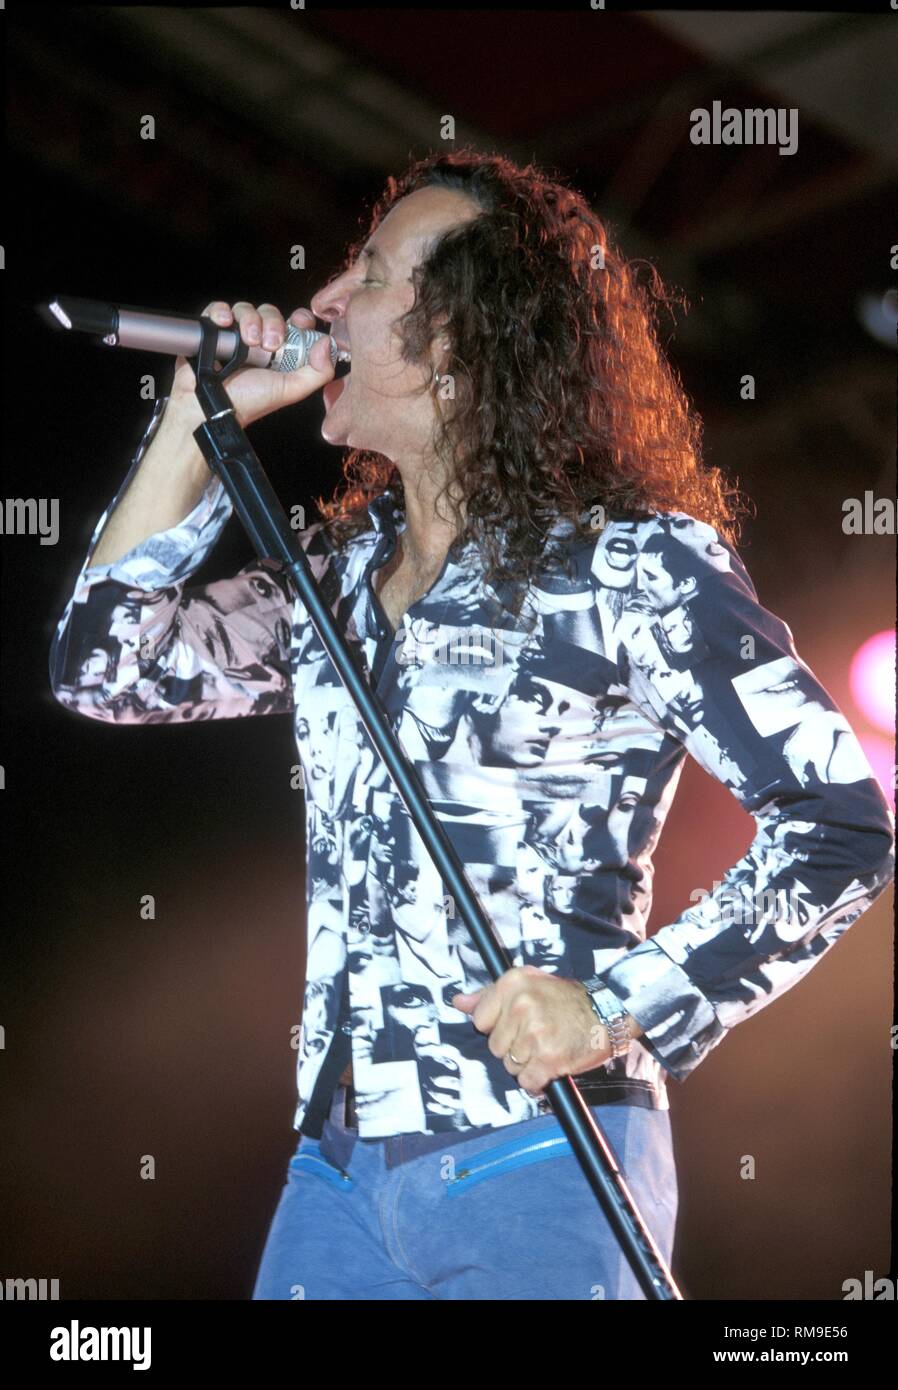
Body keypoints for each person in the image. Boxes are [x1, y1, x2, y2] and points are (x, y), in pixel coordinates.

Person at [49, 150, 895, 1301]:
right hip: (337, 1173)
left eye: (373, 276)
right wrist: (193, 421)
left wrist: (612, 1006)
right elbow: (103, 668)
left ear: (464, 339)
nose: (324, 303)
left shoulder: (626, 568)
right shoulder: (332, 584)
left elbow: (840, 824)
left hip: (535, 1147)